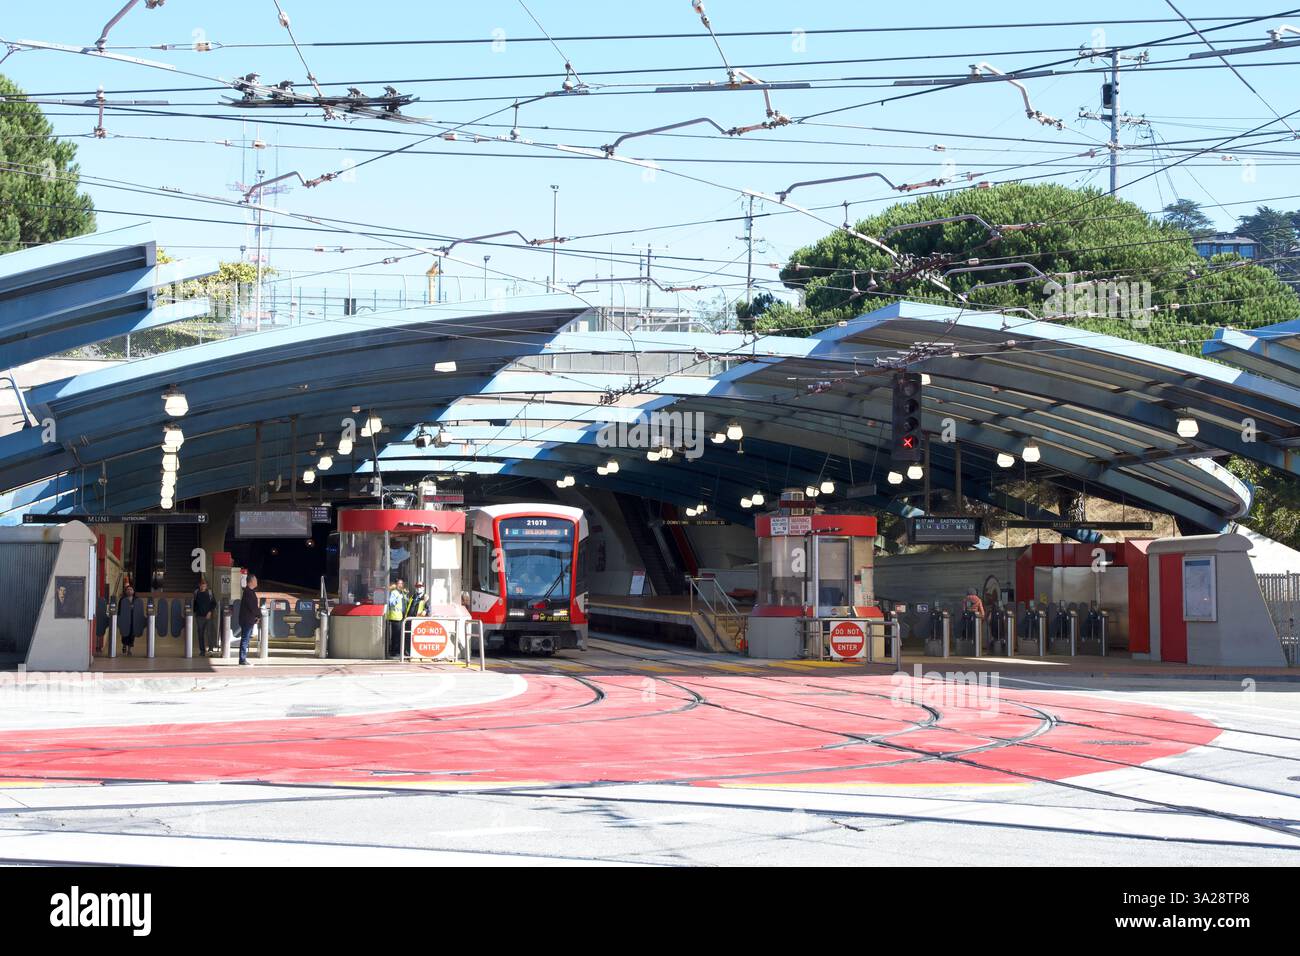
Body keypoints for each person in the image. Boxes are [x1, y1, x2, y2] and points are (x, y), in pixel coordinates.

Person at [237, 574, 261, 666]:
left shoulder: (249, 591)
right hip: (247, 620)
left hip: (248, 619)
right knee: (245, 639)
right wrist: (258, 615)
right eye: (255, 580)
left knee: (246, 639)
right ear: (251, 581)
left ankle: (243, 658)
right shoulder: (248, 592)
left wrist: (256, 617)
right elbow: (253, 607)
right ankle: (242, 659)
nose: (257, 582)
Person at [117, 584, 145, 656]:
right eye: (128, 589)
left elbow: (139, 609)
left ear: (133, 591)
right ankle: (124, 645)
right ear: (125, 591)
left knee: (132, 635)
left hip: (133, 620)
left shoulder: (136, 599)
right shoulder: (122, 599)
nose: (129, 591)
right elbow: (119, 610)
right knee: (124, 633)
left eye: (131, 589)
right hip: (124, 619)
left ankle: (129, 649)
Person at [193, 577, 216, 657]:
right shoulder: (196, 593)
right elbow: (194, 603)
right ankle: (202, 650)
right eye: (202, 585)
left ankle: (210, 649)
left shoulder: (209, 593)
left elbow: (214, 603)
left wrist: (210, 612)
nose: (203, 586)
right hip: (199, 616)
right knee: (200, 634)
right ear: (199, 585)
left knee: (209, 633)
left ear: (206, 585)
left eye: (204, 585)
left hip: (208, 616)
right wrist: (195, 612)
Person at [385, 578, 407, 657]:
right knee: (395, 635)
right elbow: (391, 603)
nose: (400, 585)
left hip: (401, 616)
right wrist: (398, 598)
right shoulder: (394, 592)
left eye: (401, 583)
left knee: (399, 635)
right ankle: (393, 651)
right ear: (396, 584)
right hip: (395, 617)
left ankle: (398, 650)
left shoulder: (402, 593)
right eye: (399, 583)